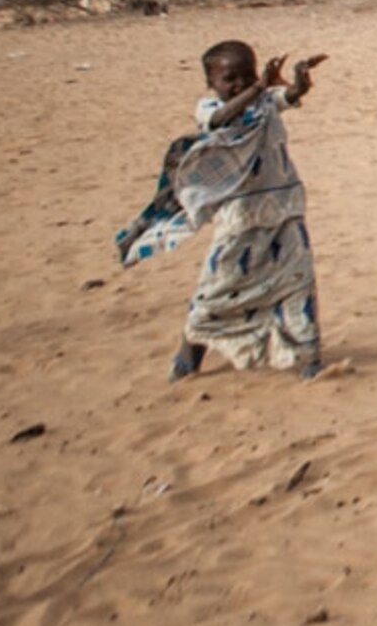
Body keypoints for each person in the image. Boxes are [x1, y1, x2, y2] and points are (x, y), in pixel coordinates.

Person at [117, 39, 329, 380]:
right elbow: (218, 121)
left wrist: (300, 84)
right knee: (219, 288)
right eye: (230, 79)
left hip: (285, 208)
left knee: (297, 283)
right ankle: (189, 354)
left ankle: (307, 357)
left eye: (248, 75)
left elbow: (286, 98)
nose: (240, 84)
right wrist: (258, 87)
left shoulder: (265, 104)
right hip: (240, 217)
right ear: (210, 82)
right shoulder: (209, 109)